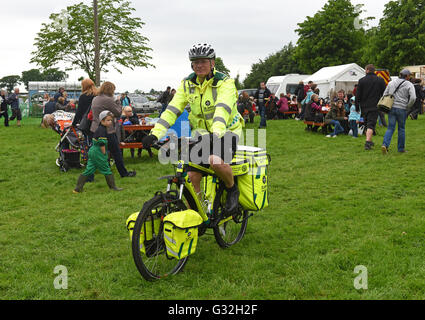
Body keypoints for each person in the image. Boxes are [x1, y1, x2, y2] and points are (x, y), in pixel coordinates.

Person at [142, 43, 243, 215]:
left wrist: (217, 133)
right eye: (195, 62)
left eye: (203, 61)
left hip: (226, 131)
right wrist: (155, 134)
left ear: (212, 63)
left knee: (214, 160)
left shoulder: (225, 83)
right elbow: (172, 110)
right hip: (202, 134)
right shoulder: (187, 83)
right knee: (191, 176)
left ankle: (232, 189)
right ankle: (198, 214)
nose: (199, 65)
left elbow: (223, 109)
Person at [91, 81, 136, 178]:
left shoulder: (95, 99)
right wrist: (118, 101)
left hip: (95, 129)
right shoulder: (108, 100)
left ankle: (89, 176)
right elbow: (118, 112)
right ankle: (123, 173)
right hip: (107, 130)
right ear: (111, 90)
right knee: (116, 152)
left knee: (95, 153)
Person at [74, 111, 123, 193]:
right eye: (108, 120)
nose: (110, 122)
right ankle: (113, 187)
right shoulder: (102, 130)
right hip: (98, 152)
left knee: (89, 169)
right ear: (102, 121)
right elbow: (101, 143)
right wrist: (104, 154)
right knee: (106, 168)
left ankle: (77, 188)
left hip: (92, 151)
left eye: (111, 120)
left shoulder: (100, 128)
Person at [381, 69, 416, 154]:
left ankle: (385, 145)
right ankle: (401, 149)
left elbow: (384, 95)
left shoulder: (391, 83)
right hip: (402, 108)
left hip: (391, 107)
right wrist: (408, 106)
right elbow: (413, 98)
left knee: (390, 128)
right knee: (401, 129)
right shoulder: (409, 84)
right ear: (407, 76)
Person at [355, 64, 387, 150]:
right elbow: (384, 93)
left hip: (364, 106)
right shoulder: (380, 80)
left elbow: (358, 95)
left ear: (367, 70)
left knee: (366, 124)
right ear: (374, 70)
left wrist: (357, 106)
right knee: (370, 125)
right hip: (375, 106)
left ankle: (369, 140)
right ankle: (368, 143)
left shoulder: (361, 80)